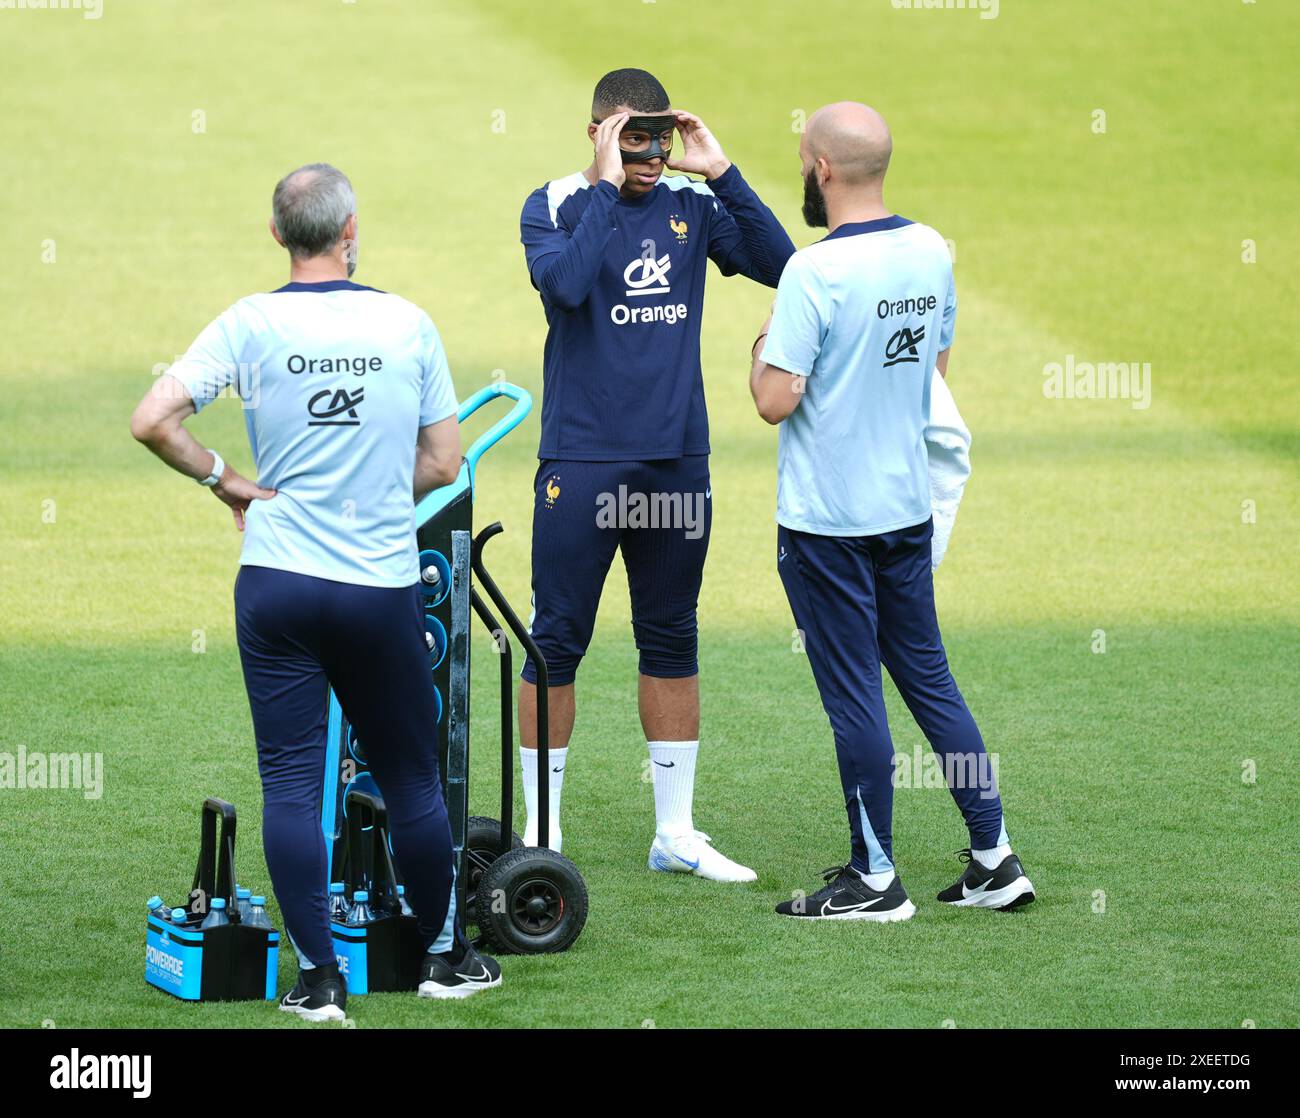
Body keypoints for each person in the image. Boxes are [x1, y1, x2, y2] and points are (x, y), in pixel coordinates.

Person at [130, 163, 502, 1019]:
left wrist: (226, 480)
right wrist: (370, 495)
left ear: (276, 236)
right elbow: (445, 463)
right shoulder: (407, 322)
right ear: (351, 231)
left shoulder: (250, 322)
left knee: (291, 783)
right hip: (375, 586)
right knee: (411, 777)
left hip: (278, 584)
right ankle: (443, 963)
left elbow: (155, 419)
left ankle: (319, 983)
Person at [749, 103, 1036, 921]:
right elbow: (934, 368)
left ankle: (874, 878)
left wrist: (763, 343)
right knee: (930, 680)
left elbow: (775, 399)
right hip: (904, 509)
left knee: (855, 700)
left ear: (822, 169)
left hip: (828, 522)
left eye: (803, 158)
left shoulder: (814, 272)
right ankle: (994, 854)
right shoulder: (930, 250)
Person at [514, 69, 797, 880]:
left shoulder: (694, 205)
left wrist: (723, 171)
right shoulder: (556, 203)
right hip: (582, 459)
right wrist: (608, 186)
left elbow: (786, 267)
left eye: (660, 137)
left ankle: (675, 835)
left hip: (676, 460)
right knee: (557, 639)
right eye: (633, 135)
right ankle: (542, 834)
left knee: (672, 635)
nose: (651, 152)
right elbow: (564, 285)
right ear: (600, 132)